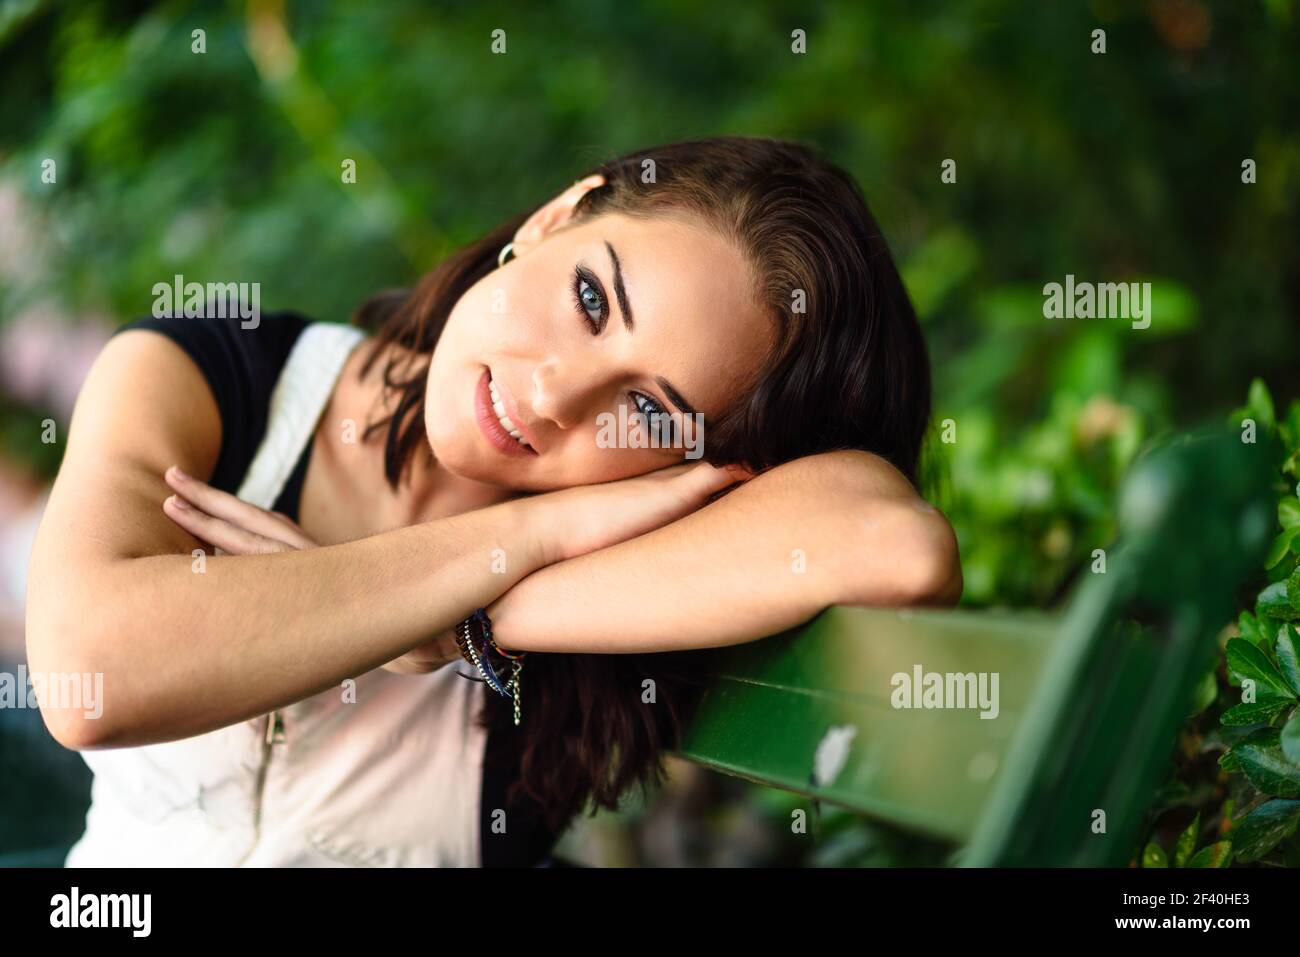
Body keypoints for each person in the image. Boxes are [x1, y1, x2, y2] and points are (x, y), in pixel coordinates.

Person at [25, 135, 961, 867]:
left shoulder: (631, 590)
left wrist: (471, 627)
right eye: (593, 298)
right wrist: (519, 537)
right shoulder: (212, 376)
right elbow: (84, 682)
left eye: (645, 409)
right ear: (556, 218)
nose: (555, 394)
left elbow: (894, 543)